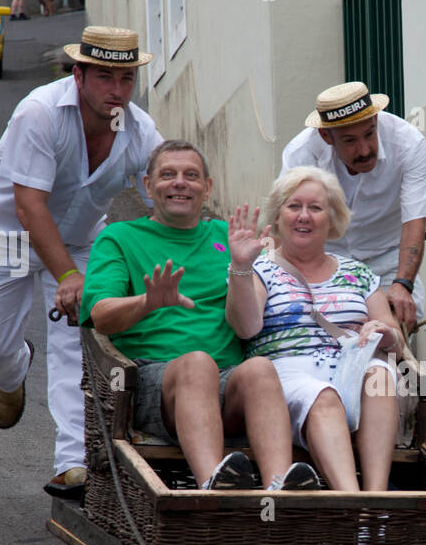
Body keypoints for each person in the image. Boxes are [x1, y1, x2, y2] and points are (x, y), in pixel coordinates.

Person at [0, 26, 163, 500]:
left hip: (81, 242)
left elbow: (164, 195)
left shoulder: (139, 131)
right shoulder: (39, 113)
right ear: (79, 74)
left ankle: (74, 463)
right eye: (105, 77)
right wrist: (68, 277)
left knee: (81, 345)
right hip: (6, 235)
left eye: (127, 79)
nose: (117, 91)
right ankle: (12, 372)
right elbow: (29, 207)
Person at [81, 141, 318, 491]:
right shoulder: (119, 238)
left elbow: (256, 315)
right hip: (154, 383)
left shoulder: (228, 236)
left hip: (227, 381)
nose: (180, 182)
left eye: (191, 176)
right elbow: (100, 316)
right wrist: (148, 301)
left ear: (206, 188)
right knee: (197, 364)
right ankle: (214, 487)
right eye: (168, 175)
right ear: (147, 185)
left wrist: (241, 266)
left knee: (259, 370)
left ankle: (279, 491)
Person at [226, 167, 401, 491]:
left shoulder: (358, 272)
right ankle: (354, 506)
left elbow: (394, 338)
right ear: (278, 216)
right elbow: (247, 328)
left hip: (350, 369)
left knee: (380, 375)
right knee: (321, 395)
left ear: (332, 219)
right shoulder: (261, 268)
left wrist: (386, 333)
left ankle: (378, 499)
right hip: (286, 376)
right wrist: (240, 267)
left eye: (315, 208)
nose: (303, 216)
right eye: (294, 206)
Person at [280, 82, 426, 332]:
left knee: (393, 337)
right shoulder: (301, 153)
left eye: (370, 134)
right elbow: (289, 222)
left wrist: (402, 283)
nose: (364, 150)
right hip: (323, 259)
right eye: (350, 140)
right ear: (326, 136)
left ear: (376, 120)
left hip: (388, 258)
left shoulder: (409, 144)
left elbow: (415, 219)